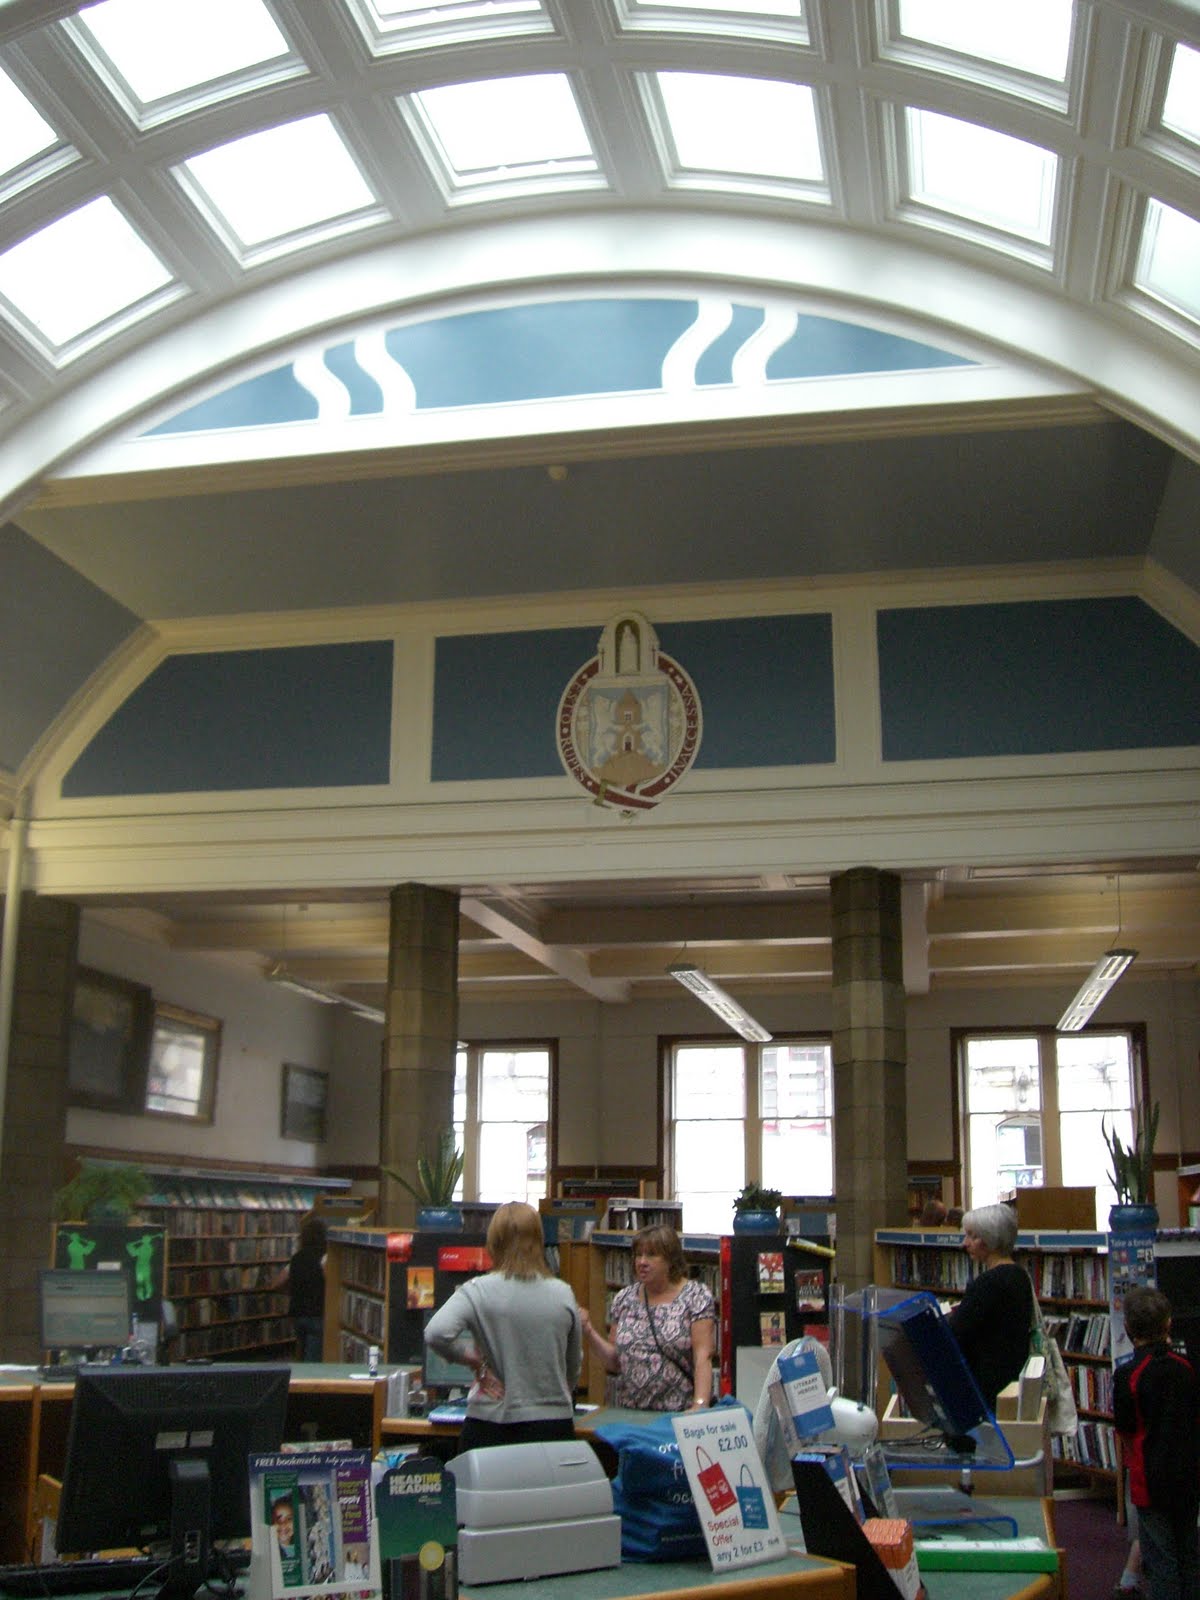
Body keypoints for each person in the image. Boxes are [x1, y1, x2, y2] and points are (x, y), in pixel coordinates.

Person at [424, 1200, 581, 1454]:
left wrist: (473, 1361)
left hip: (490, 1424)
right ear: (538, 1241)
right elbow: (573, 1366)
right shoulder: (563, 1293)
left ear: (493, 1242)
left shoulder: (477, 1290)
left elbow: (436, 1333)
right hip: (552, 1426)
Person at [1113, 1285, 1199, 1600]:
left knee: (1161, 1560)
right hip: (1188, 1476)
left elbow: (1125, 1430)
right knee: (1189, 1554)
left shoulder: (1127, 1375)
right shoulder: (1186, 1368)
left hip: (1149, 1480)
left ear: (1128, 1328)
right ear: (1168, 1325)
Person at [579, 1223, 715, 1411]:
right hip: (631, 1411)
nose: (642, 1262)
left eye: (651, 1255)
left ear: (670, 1259)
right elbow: (615, 1362)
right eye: (638, 1255)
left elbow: (703, 1356)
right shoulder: (624, 1299)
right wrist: (589, 1331)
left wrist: (700, 1404)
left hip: (679, 1411)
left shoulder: (696, 1297)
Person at [945, 1202, 1034, 1411]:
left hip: (985, 1388)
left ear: (990, 1239)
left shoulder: (988, 1283)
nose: (965, 1243)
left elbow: (957, 1332)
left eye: (972, 1236)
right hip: (1011, 1383)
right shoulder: (1019, 1275)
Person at [281, 1213, 327, 1362]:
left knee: (300, 1351)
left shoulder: (296, 1258)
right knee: (312, 1359)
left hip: (297, 1312)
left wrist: (291, 1291)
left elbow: (276, 1283)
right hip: (317, 1313)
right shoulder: (325, 1258)